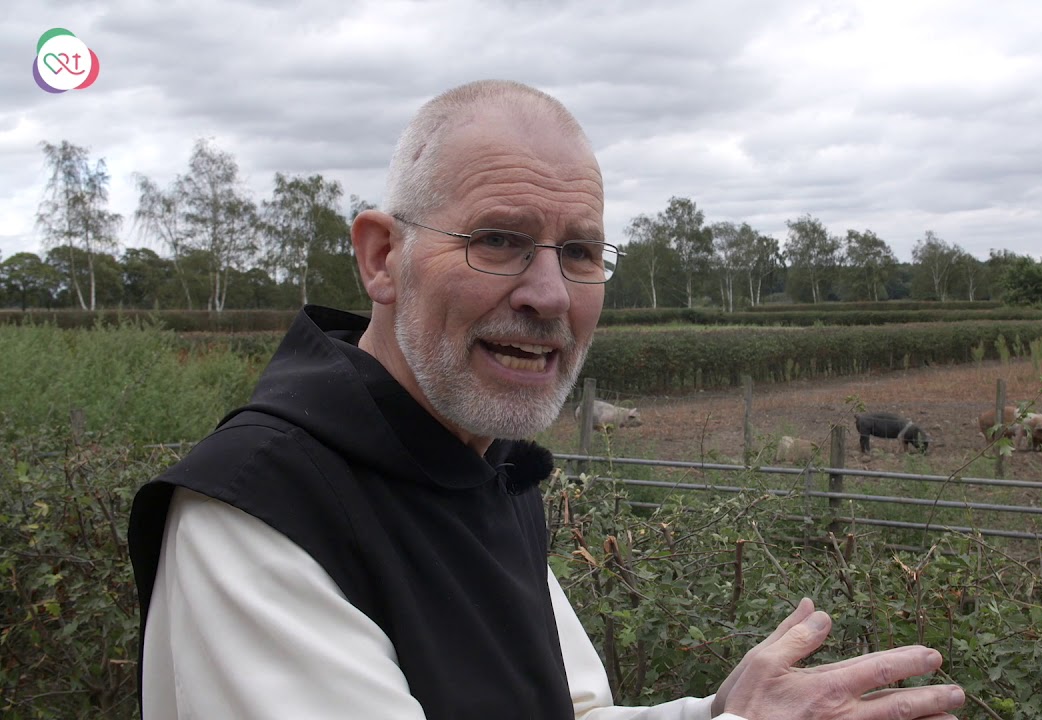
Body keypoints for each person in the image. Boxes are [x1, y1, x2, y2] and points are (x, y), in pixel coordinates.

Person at [128, 79, 966, 720]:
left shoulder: (482, 469)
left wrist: (722, 711)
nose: (551, 294)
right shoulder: (261, 514)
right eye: (498, 240)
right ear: (383, 257)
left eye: (581, 252)